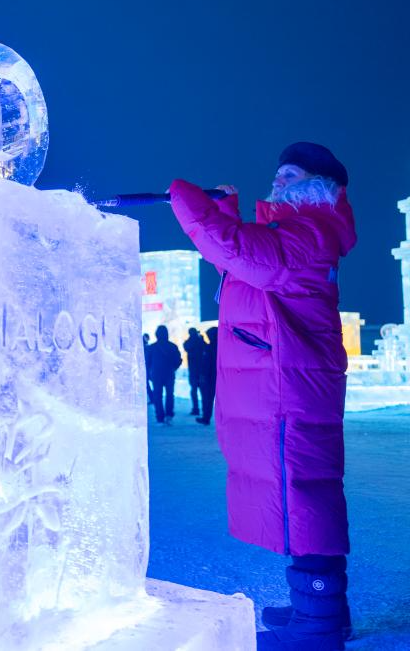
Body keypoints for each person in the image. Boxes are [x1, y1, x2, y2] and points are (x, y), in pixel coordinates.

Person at [168, 142, 355, 650]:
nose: (278, 181)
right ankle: (319, 609)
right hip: (287, 384)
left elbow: (242, 254)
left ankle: (316, 627)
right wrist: (226, 213)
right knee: (303, 495)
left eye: (290, 174)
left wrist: (189, 200)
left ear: (318, 185)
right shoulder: (304, 229)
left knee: (301, 498)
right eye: (278, 173)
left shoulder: (310, 230)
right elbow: (249, 261)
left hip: (287, 390)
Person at [148, 325, 182, 424]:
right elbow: (178, 360)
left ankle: (160, 417)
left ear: (156, 334)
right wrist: (173, 368)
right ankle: (169, 415)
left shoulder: (152, 347)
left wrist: (150, 373)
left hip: (156, 375)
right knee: (169, 395)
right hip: (169, 374)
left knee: (157, 395)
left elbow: (148, 362)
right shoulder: (172, 346)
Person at [183, 327, 207, 416]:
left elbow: (186, 346)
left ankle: (195, 409)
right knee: (203, 391)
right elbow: (206, 347)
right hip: (202, 370)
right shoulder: (200, 341)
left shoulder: (188, 342)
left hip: (193, 370)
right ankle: (204, 410)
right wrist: (201, 338)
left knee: (194, 390)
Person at [196, 326, 217, 424]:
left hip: (209, 378)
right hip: (222, 377)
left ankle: (206, 418)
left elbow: (205, 364)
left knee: (207, 399)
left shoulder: (209, 348)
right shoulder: (223, 348)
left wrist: (202, 376)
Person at [142, 333, 154, 404]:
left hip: (148, 368)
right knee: (147, 384)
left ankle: (153, 398)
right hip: (146, 368)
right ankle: (153, 398)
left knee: (148, 384)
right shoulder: (146, 347)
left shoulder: (147, 347)